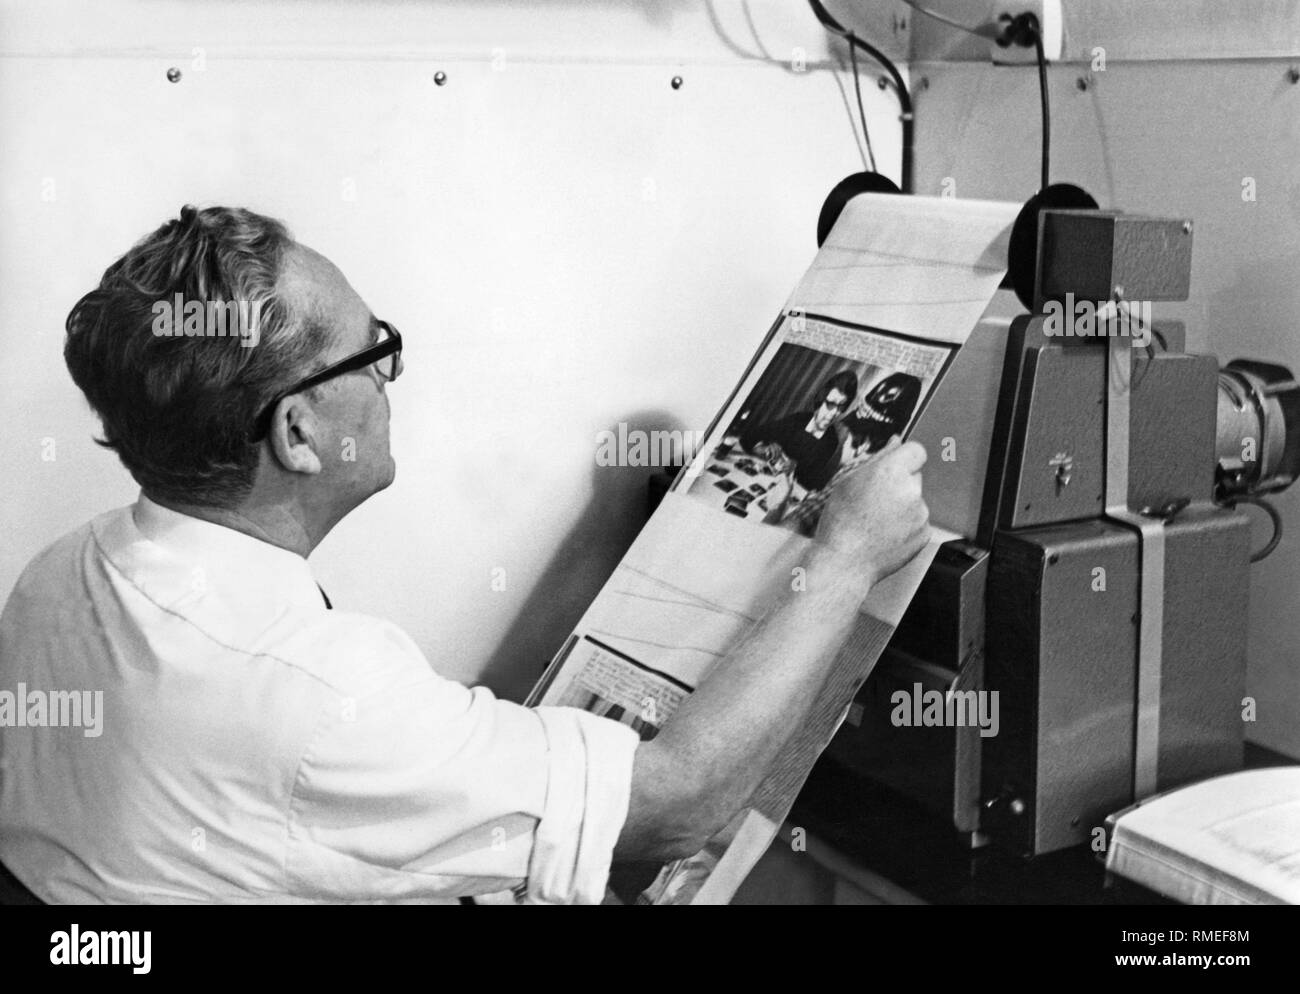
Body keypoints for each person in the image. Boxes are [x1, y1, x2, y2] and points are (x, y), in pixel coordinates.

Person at [0, 206, 928, 904]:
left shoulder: (60, 572)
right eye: (372, 354)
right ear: (299, 433)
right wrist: (847, 556)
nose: (389, 377)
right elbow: (676, 807)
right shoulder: (323, 697)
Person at [740, 370, 859, 496]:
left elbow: (808, 484)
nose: (834, 413)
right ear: (821, 399)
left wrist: (795, 468)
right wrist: (764, 449)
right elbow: (747, 438)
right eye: (830, 404)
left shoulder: (831, 442)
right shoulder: (798, 419)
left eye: (841, 407)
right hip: (759, 482)